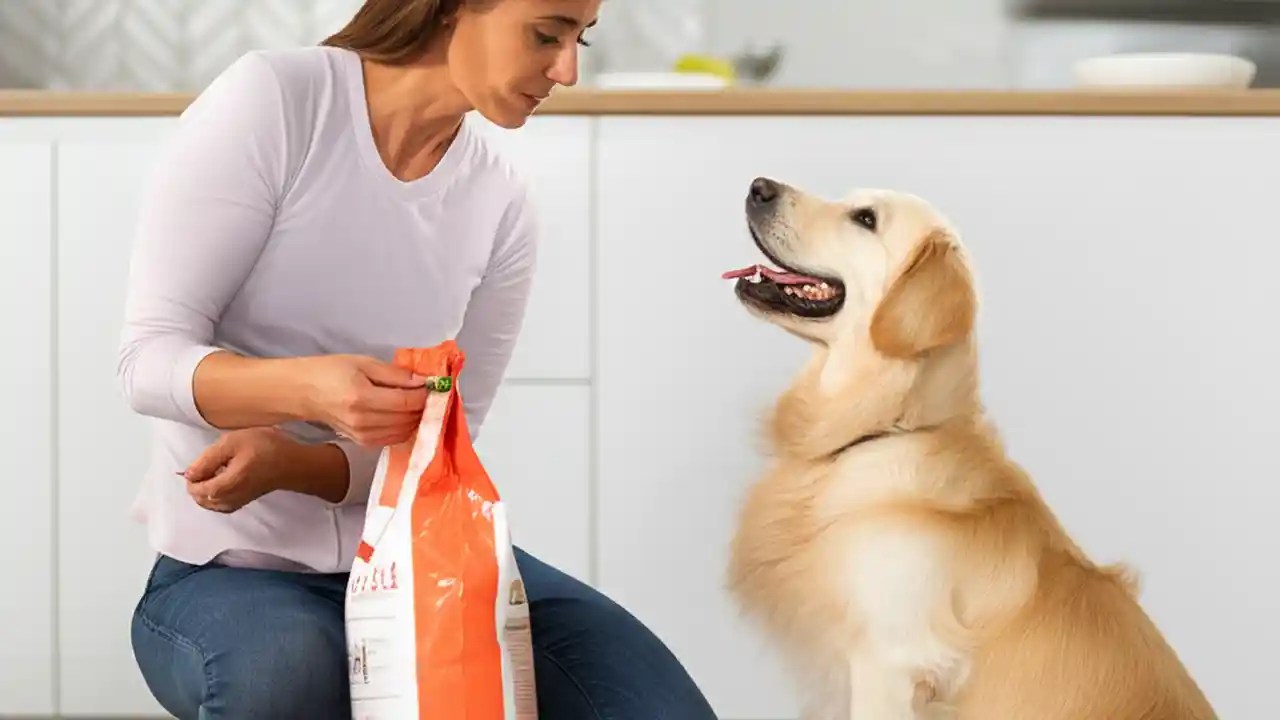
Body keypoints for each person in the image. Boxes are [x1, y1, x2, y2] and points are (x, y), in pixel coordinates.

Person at [119, 1, 719, 718]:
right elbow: (148, 359)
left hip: (423, 561)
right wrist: (308, 391)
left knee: (653, 704)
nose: (567, 70)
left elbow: (441, 450)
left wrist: (293, 464)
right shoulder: (279, 102)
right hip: (229, 570)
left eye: (579, 38)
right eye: (546, 34)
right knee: (290, 674)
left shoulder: (499, 203)